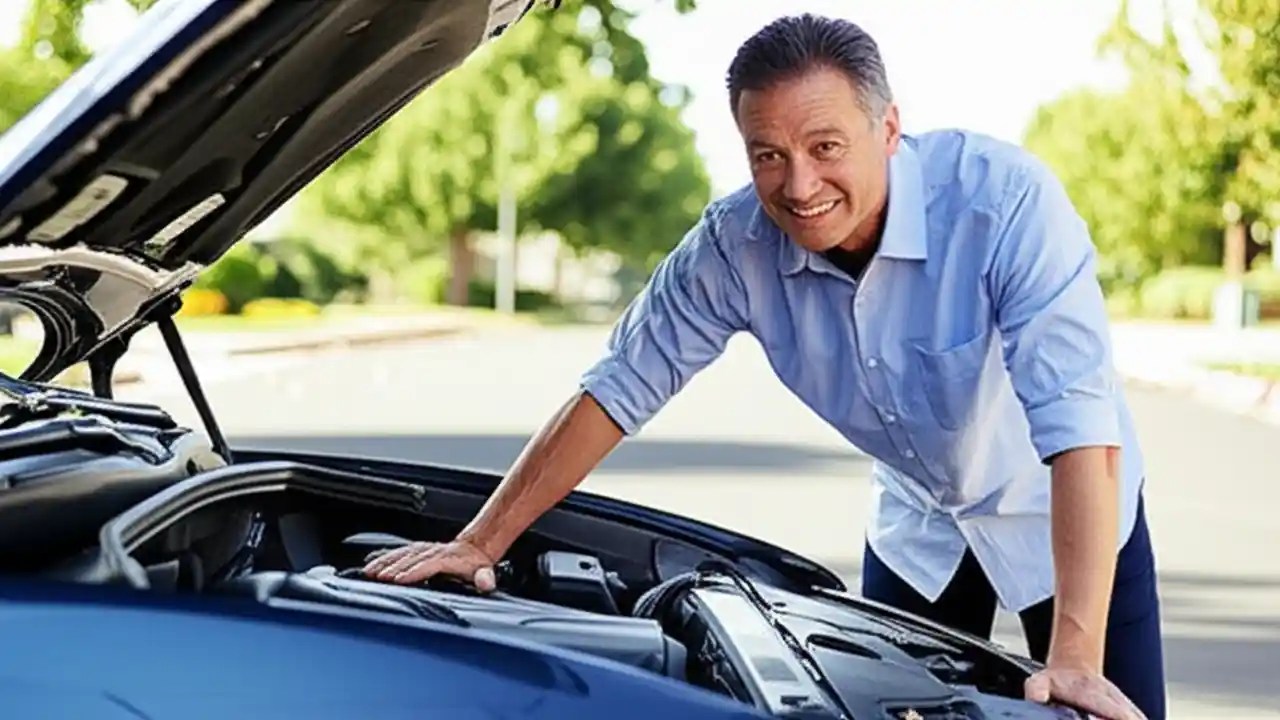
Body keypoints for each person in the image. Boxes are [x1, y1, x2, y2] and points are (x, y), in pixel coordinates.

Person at [364, 13, 1165, 720]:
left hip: (1061, 507)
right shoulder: (733, 245)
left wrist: (1075, 660)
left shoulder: (1005, 204)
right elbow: (619, 386)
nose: (799, 186)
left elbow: (1078, 422)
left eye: (825, 147)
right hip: (919, 521)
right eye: (768, 155)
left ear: (889, 129)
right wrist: (480, 542)